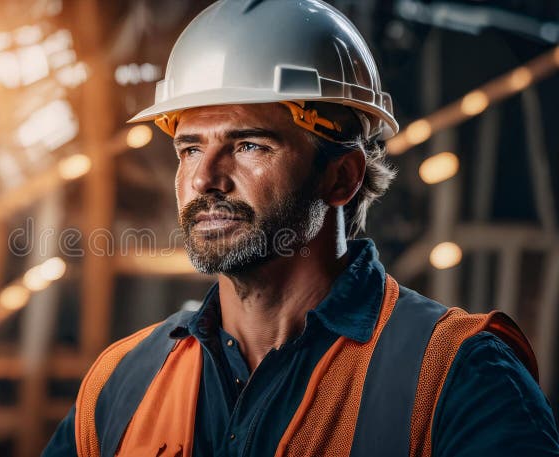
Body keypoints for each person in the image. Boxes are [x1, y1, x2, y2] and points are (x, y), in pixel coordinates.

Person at [43, 0, 559, 456]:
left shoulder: (459, 377)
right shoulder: (119, 385)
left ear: (341, 177)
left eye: (249, 146)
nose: (205, 178)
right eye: (190, 148)